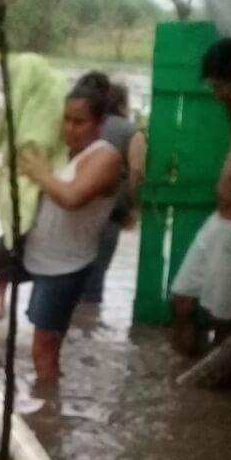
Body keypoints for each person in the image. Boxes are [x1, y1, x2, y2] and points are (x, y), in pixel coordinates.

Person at [0, 73, 122, 381]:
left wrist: (40, 173)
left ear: (100, 123)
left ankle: (47, 419)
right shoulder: (61, 152)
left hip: (65, 265)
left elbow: (73, 198)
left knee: (44, 352)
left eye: (79, 122)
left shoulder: (105, 156)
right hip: (31, 246)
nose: (69, 128)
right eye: (65, 119)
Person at [167, 38, 231, 356]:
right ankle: (188, 386)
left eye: (217, 85)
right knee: (181, 299)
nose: (215, 93)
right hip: (222, 219)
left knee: (225, 322)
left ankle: (214, 388)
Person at [81, 83, 147, 306]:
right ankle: (88, 325)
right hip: (111, 210)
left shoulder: (89, 125)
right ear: (123, 103)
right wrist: (133, 206)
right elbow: (136, 171)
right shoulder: (132, 132)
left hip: (80, 204)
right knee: (97, 272)